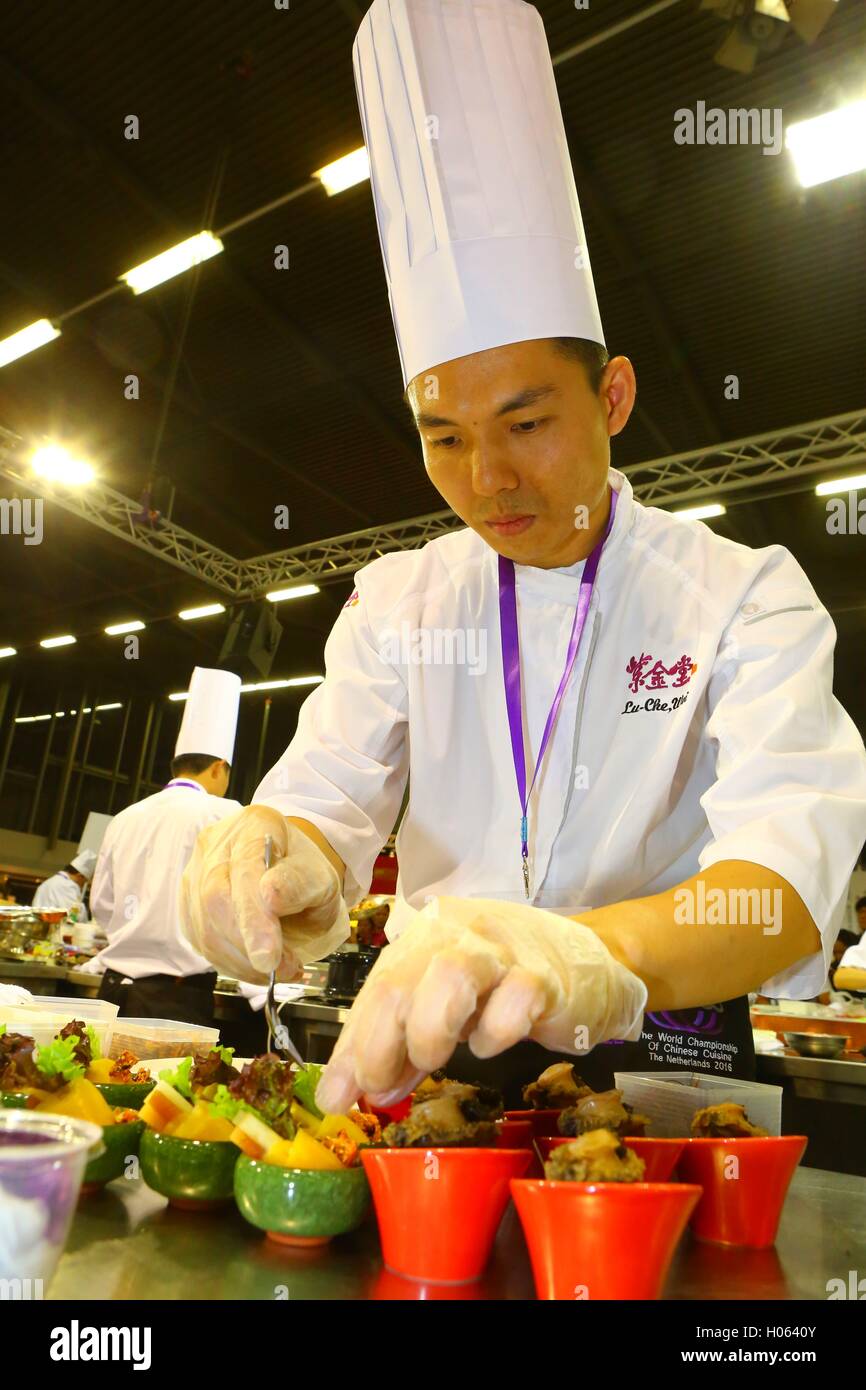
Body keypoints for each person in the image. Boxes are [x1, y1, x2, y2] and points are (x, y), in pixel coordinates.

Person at [179, 0, 866, 1108]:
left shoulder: (741, 593)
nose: (485, 478)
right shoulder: (401, 599)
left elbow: (782, 880)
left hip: (664, 1050)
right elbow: (328, 800)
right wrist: (278, 855)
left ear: (613, 395)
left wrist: (568, 952)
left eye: (527, 422)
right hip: (427, 1041)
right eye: (441, 438)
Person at [86, 668, 243, 1026]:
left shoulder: (125, 816)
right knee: (165, 1083)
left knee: (101, 1081)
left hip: (112, 991)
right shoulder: (225, 813)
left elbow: (103, 906)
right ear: (219, 768)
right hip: (175, 999)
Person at [32, 850, 96, 920]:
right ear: (80, 876)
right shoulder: (68, 886)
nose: (82, 886)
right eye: (84, 882)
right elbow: (75, 916)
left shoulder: (47, 883)